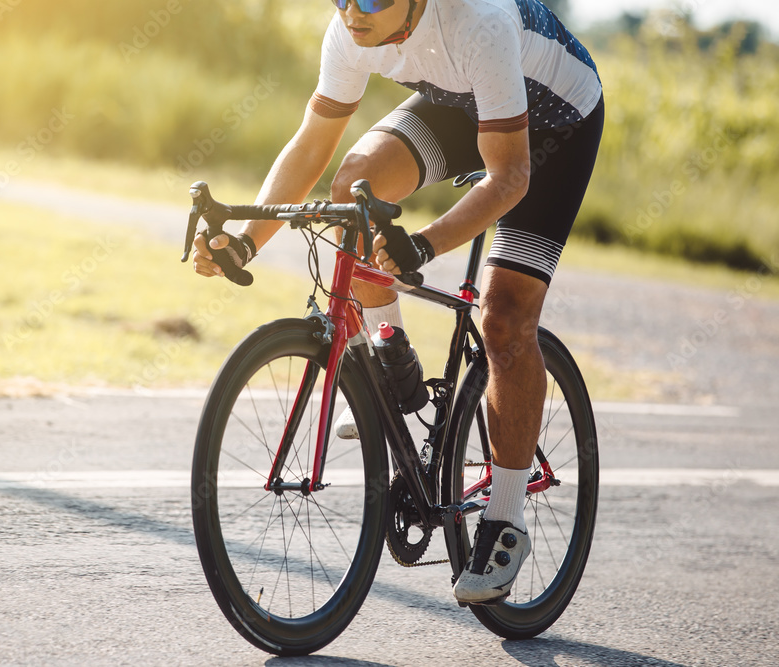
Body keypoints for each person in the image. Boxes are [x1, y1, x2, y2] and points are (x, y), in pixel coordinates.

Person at [190, 0, 603, 606]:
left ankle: (506, 517)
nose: (355, 10)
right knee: (354, 187)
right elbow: (313, 145)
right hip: (463, 101)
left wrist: (425, 245)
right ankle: (392, 358)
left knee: (504, 319)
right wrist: (246, 244)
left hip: (554, 124)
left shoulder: (478, 21)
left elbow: (510, 176)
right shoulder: (352, 27)